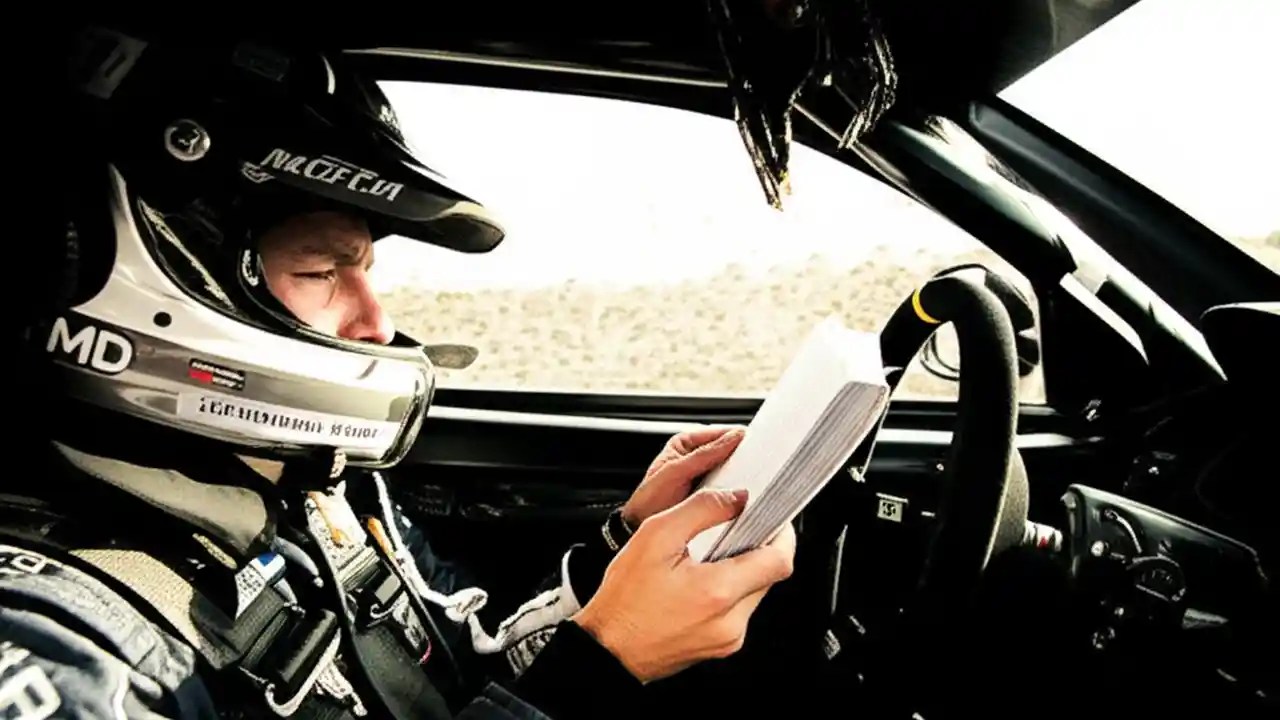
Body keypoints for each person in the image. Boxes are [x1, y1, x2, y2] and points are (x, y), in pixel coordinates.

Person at [1, 26, 795, 720]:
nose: (376, 323)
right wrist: (601, 672)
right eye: (321, 272)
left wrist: (610, 563)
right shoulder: (59, 643)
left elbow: (462, 661)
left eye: (368, 271)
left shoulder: (311, 486)